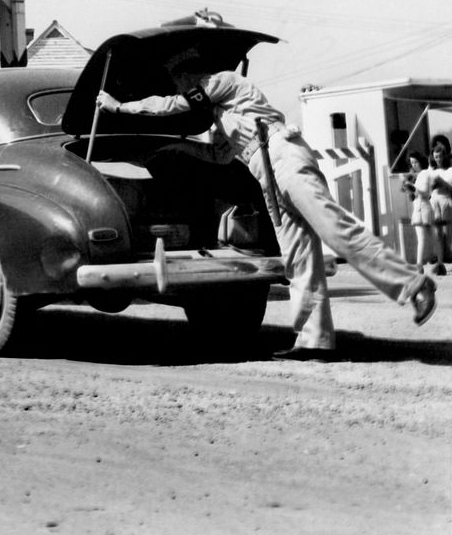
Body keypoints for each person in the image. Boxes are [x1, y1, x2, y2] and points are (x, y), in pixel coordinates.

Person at [96, 56, 438, 359]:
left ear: (192, 73)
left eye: (179, 78)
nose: (179, 85)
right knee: (298, 255)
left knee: (335, 228)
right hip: (267, 172)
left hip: (282, 154)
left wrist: (119, 107)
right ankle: (313, 340)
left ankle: (414, 284)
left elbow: (175, 104)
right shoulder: (224, 114)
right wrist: (167, 153)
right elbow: (218, 155)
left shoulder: (223, 81)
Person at [402, 152, 441, 273]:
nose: (413, 165)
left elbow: (424, 192)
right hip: (423, 207)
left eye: (415, 162)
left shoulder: (423, 174)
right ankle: (438, 262)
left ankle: (420, 264)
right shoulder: (422, 174)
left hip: (421, 207)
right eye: (412, 162)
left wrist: (412, 187)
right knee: (432, 237)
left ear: (420, 162)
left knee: (423, 238)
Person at [430, 135, 452, 266]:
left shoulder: (449, 170)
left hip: (446, 200)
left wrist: (444, 184)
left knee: (448, 232)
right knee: (437, 232)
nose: (438, 159)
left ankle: (449, 256)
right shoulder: (431, 170)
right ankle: (439, 257)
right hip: (434, 201)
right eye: (436, 157)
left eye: (440, 156)